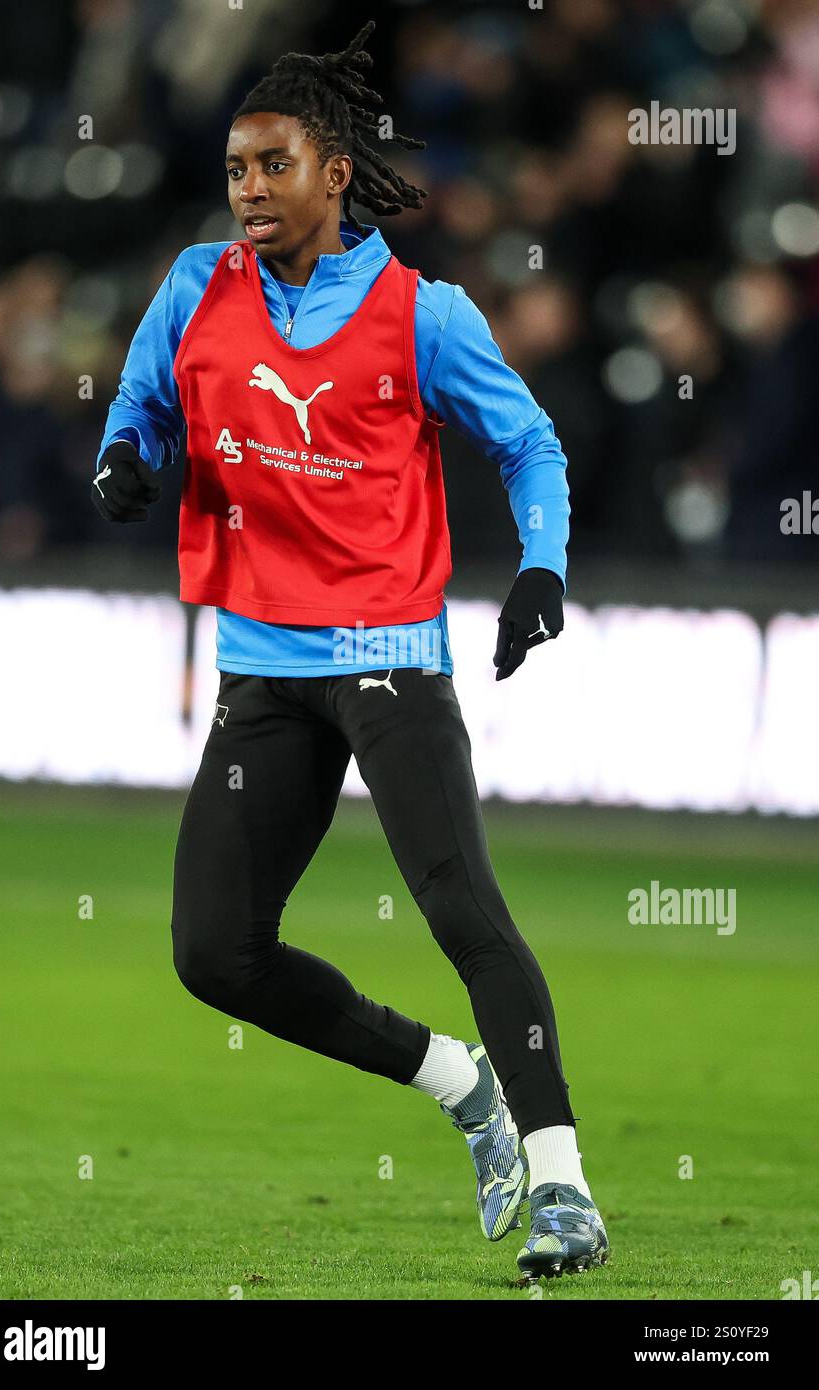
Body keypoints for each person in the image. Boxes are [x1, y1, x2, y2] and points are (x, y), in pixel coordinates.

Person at [92, 19, 608, 1282]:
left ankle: (564, 1188)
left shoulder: (420, 315)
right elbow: (145, 403)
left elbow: (530, 443)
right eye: (234, 170)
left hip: (386, 654)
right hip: (262, 666)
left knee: (463, 912)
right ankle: (458, 1085)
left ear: (334, 174)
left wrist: (538, 565)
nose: (249, 191)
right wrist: (124, 458)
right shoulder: (192, 289)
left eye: (273, 166)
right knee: (214, 953)